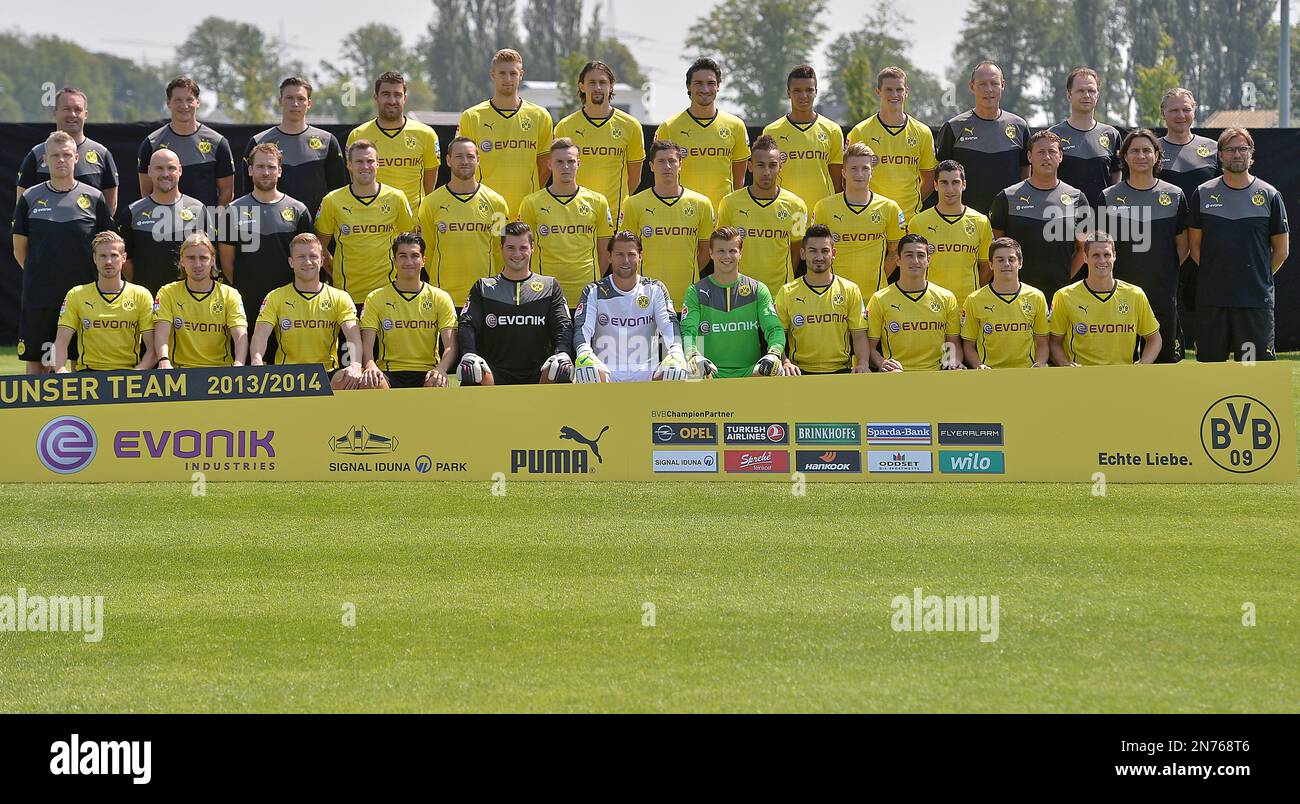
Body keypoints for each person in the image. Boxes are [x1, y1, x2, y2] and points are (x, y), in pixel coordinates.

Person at [11, 131, 114, 374]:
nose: (61, 160)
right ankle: (35, 412)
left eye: (66, 155)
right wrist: (44, 276)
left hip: (83, 298)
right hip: (41, 297)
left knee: (82, 362)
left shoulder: (94, 197)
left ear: (76, 158)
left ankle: (82, 412)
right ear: (45, 160)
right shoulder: (30, 197)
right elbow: (19, 251)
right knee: (39, 361)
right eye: (55, 155)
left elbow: (106, 246)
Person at [1187, 128, 1289, 362]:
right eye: (1230, 149)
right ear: (1220, 155)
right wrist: (1220, 275)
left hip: (1254, 302)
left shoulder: (1269, 195)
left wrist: (1257, 277)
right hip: (1213, 301)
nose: (1237, 154)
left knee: (1251, 374)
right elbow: (1195, 249)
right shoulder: (1203, 194)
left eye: (1243, 149)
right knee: (1210, 373)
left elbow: (1281, 251)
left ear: (1251, 153)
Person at [1099, 128, 1189, 363]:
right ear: (1125, 157)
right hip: (1118, 295)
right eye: (1135, 151)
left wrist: (1161, 270)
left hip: (1161, 294)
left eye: (1147, 150)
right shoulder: (1108, 197)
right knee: (1119, 365)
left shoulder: (1175, 195)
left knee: (1164, 366)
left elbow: (1183, 247)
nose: (1141, 156)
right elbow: (1100, 248)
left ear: (1157, 156)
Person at [219, 143, 313, 365]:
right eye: (259, 166)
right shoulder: (232, 211)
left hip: (291, 305)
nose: (266, 172)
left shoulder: (298, 210)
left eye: (271, 167)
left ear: (280, 171)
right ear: (250, 170)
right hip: (248, 304)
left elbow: (309, 259)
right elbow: (226, 263)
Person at [456, 222, 573, 386]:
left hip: (539, 372)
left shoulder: (550, 286)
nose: (517, 254)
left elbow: (563, 325)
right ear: (501, 248)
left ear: (532, 247)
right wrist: (469, 354)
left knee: (561, 368)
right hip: (495, 373)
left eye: (523, 248)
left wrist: (562, 352)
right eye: (510, 248)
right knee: (472, 371)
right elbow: (467, 325)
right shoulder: (483, 287)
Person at [250, 233, 367, 390]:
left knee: (348, 379)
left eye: (313, 256)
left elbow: (353, 336)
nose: (308, 262)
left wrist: (355, 365)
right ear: (291, 262)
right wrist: (256, 361)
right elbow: (260, 336)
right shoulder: (275, 296)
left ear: (322, 260)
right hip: (287, 376)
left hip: (326, 373)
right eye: (301, 257)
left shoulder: (340, 297)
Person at [989, 130, 1090, 305]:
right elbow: (995, 246)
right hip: (1014, 296)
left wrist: (1064, 280)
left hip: (1059, 298)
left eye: (1052, 152)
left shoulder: (1078, 198)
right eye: (1040, 152)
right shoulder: (1007, 197)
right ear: (1029, 156)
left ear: (1060, 157)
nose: (1047, 157)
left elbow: (1083, 250)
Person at [571, 231, 687, 383]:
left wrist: (676, 352)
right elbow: (582, 328)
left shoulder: (655, 289)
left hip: (647, 372)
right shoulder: (594, 290)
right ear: (610, 257)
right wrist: (583, 352)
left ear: (641, 256)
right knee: (586, 371)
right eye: (619, 254)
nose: (626, 260)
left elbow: (669, 325)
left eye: (631, 254)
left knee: (679, 372)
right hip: (605, 371)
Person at [313, 139, 416, 310]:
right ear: (349, 165)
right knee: (352, 339)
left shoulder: (396, 198)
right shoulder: (332, 200)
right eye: (359, 161)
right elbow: (318, 248)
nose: (365, 166)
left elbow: (411, 247)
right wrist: (335, 270)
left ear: (378, 164)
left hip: (388, 293)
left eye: (370, 161)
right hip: (347, 295)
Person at [517, 138, 614, 309]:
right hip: (544, 293)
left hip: (586, 294)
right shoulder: (531, 203)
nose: (566, 166)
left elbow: (605, 253)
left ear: (578, 163)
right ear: (549, 164)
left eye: (570, 161)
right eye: (559, 162)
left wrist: (590, 282)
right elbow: (524, 253)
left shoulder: (597, 201)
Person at [457, 49, 555, 215]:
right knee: (495, 241)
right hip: (488, 210)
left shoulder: (540, 116)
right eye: (502, 73)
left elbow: (546, 166)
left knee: (524, 242)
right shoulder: (472, 116)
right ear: (492, 74)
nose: (508, 79)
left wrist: (530, 197)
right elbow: (463, 166)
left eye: (513, 73)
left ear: (521, 75)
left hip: (526, 210)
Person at [679, 227, 787, 379]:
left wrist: (774, 353)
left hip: (751, 373)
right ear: (711, 253)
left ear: (741, 253)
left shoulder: (757, 289)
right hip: (710, 373)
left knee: (777, 370)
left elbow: (774, 328)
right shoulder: (695, 291)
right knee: (687, 372)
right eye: (721, 251)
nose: (727, 256)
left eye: (733, 251)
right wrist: (693, 355)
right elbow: (687, 331)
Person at [620, 140, 715, 309]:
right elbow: (626, 253)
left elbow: (705, 253)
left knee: (691, 337)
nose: (667, 166)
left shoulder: (701, 203)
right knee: (645, 338)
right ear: (651, 166)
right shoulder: (634, 203)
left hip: (688, 299)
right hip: (645, 299)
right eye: (661, 161)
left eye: (672, 161)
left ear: (680, 165)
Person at [415, 136, 509, 307]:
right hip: (443, 298)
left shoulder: (497, 203)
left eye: (470, 156)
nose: (465, 161)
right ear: (448, 160)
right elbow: (428, 250)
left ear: (478, 160)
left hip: (484, 297)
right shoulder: (431, 203)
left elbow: (499, 250)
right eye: (459, 156)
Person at [358, 232, 458, 389]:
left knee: (436, 382)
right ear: (394, 260)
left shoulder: (440, 297)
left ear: (423, 260)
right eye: (403, 256)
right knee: (371, 382)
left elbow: (451, 346)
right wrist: (370, 366)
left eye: (415, 255)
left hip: (427, 371)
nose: (409, 261)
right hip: (389, 371)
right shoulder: (376, 297)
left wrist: (441, 369)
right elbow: (366, 346)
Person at [553, 60, 646, 227]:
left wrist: (617, 205)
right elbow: (558, 174)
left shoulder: (630, 126)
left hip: (616, 218)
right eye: (592, 82)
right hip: (575, 216)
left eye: (602, 82)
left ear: (611, 86)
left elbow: (635, 179)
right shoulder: (565, 127)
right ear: (582, 86)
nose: (597, 87)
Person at [1049, 231, 1161, 366]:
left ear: (1114, 256)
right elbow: (1054, 342)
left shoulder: (1135, 295)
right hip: (1081, 379)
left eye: (1107, 255)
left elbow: (1154, 338)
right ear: (1085, 257)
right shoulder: (1064, 296)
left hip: (1122, 379)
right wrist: (1064, 364)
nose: (1102, 260)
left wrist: (1144, 364)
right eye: (1096, 255)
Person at [717, 134, 808, 296]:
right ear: (750, 166)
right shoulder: (729, 203)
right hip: (739, 294)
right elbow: (721, 251)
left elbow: (796, 251)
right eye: (760, 165)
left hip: (780, 296)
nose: (767, 172)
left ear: (781, 167)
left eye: (772, 165)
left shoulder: (797, 206)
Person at [51, 231, 155, 372]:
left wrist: (135, 374)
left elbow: (153, 349)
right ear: (94, 258)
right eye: (102, 256)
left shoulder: (140, 295)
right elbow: (61, 342)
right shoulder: (76, 294)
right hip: (89, 375)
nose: (108, 262)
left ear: (123, 258)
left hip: (127, 373)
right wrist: (60, 369)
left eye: (113, 255)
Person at [243, 76, 347, 217]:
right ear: (280, 101)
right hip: (273, 224)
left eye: (301, 99)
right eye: (289, 98)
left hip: (318, 226)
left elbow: (339, 190)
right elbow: (247, 191)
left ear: (309, 103)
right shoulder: (259, 141)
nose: (295, 104)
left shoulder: (327, 141)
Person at [654, 58, 751, 208]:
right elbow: (661, 176)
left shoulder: (736, 126)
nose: (705, 89)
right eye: (698, 83)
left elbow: (739, 180)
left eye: (711, 83)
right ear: (688, 86)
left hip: (722, 216)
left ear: (718, 86)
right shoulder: (669, 127)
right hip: (683, 214)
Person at [936, 61, 1030, 214]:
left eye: (994, 83)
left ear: (1003, 85)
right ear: (971, 86)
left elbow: (1025, 171)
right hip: (964, 219)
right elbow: (940, 176)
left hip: (1008, 218)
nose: (989, 89)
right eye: (982, 84)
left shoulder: (1019, 126)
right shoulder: (954, 127)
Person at [811, 142, 905, 295]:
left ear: (872, 172)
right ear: (843, 172)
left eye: (865, 168)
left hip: (874, 299)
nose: (859, 174)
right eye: (853, 169)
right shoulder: (824, 207)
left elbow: (895, 252)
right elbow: (814, 252)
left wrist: (880, 279)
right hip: (835, 297)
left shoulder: (889, 208)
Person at [774, 224, 869, 375]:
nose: (819, 257)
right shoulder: (787, 292)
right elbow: (777, 336)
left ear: (834, 253)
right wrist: (785, 361)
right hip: (799, 372)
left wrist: (863, 363)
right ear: (803, 254)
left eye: (825, 251)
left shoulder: (850, 289)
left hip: (841, 370)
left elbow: (859, 335)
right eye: (813, 251)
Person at [847, 67, 936, 223]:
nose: (894, 95)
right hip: (871, 218)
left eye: (899, 89)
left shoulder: (923, 132)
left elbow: (929, 179)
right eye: (888, 90)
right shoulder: (861, 131)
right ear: (878, 91)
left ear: (906, 91)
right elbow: (848, 177)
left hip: (909, 219)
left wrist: (912, 204)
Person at [120, 148, 213, 296]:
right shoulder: (132, 212)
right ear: (149, 171)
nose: (165, 174)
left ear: (180, 170)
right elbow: (125, 262)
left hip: (189, 301)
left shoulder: (198, 209)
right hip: (146, 302)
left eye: (171, 168)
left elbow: (208, 258)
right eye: (159, 168)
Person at [347, 71, 441, 212]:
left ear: (405, 98)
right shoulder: (358, 135)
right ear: (376, 97)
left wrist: (425, 216)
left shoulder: (426, 134)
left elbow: (429, 190)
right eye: (386, 94)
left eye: (397, 95)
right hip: (374, 222)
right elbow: (356, 183)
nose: (392, 101)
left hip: (414, 224)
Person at [865, 234, 961, 372]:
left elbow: (953, 343)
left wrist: (952, 362)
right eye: (909, 255)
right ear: (898, 260)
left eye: (921, 255)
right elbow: (869, 347)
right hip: (897, 374)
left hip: (936, 373)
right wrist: (882, 363)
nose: (915, 261)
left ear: (928, 260)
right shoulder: (880, 299)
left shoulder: (946, 297)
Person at [17, 87, 119, 214]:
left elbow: (110, 205)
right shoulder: (37, 154)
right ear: (55, 112)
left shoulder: (101, 154)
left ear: (85, 114)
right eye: (66, 109)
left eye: (78, 109)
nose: (72, 114)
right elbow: (21, 203)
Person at [153, 233, 248, 368]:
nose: (197, 264)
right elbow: (161, 332)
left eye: (203, 258)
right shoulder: (167, 292)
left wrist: (239, 363)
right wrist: (163, 360)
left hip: (220, 372)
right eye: (191, 258)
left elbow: (240, 336)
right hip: (180, 373)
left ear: (213, 260)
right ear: (182, 261)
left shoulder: (230, 294)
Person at [138, 76, 234, 207]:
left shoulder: (217, 143)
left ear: (198, 102)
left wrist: (214, 222)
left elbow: (227, 191)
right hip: (164, 223)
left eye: (190, 100)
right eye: (178, 100)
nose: (184, 106)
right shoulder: (151, 143)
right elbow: (146, 193)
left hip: (204, 225)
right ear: (168, 102)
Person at [761, 64, 844, 211]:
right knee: (796, 234)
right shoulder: (771, 131)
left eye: (809, 90)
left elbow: (838, 182)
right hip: (786, 211)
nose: (803, 96)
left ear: (816, 92)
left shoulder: (832, 130)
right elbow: (765, 177)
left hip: (821, 212)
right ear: (788, 93)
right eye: (797, 91)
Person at [908, 159, 992, 304]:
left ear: (964, 184)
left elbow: (987, 267)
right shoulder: (918, 223)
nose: (950, 189)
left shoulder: (981, 222)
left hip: (967, 305)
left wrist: (973, 296)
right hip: (930, 304)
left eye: (955, 182)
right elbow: (909, 267)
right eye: (944, 183)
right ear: (935, 185)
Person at [960, 237, 1049, 369]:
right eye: (1000, 260)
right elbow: (968, 345)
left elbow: (1042, 342)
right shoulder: (974, 300)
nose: (1006, 264)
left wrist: (1040, 364)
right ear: (990, 264)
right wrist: (978, 365)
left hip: (1027, 373)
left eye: (1011, 259)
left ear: (1020, 263)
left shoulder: (1036, 297)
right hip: (990, 375)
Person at [1048, 67, 1121, 208]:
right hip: (1063, 217)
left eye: (1091, 91)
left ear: (1097, 95)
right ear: (1069, 95)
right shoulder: (1054, 135)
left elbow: (1116, 182)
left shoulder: (1111, 135)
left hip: (1103, 221)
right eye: (1080, 91)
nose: (1086, 95)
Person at [1156, 88, 1220, 201]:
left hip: (1204, 218)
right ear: (1162, 113)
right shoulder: (1150, 149)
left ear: (1194, 111)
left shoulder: (1214, 148)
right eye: (1174, 110)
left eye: (1186, 109)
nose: (1181, 115)